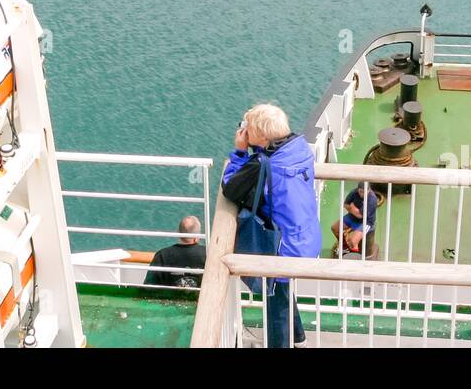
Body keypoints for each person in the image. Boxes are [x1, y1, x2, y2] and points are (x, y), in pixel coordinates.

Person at [222, 102, 322, 348]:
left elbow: (231, 188)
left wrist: (239, 153)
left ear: (263, 136)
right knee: (283, 292)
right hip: (306, 237)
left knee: (275, 302)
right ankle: (299, 338)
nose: (245, 130)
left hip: (283, 247)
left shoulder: (264, 165)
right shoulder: (299, 149)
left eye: (250, 127)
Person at [144, 215, 206, 288]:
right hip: (199, 298)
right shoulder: (207, 254)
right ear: (197, 236)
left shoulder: (162, 255)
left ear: (178, 232)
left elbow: (148, 286)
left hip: (169, 297)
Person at [330, 183, 379, 257]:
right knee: (335, 228)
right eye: (360, 191)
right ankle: (345, 247)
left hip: (366, 222)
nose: (362, 194)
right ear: (358, 189)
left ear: (369, 190)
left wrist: (352, 208)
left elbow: (360, 216)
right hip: (352, 217)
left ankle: (354, 257)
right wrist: (354, 210)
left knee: (352, 241)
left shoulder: (372, 199)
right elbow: (345, 204)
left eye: (364, 192)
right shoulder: (354, 192)